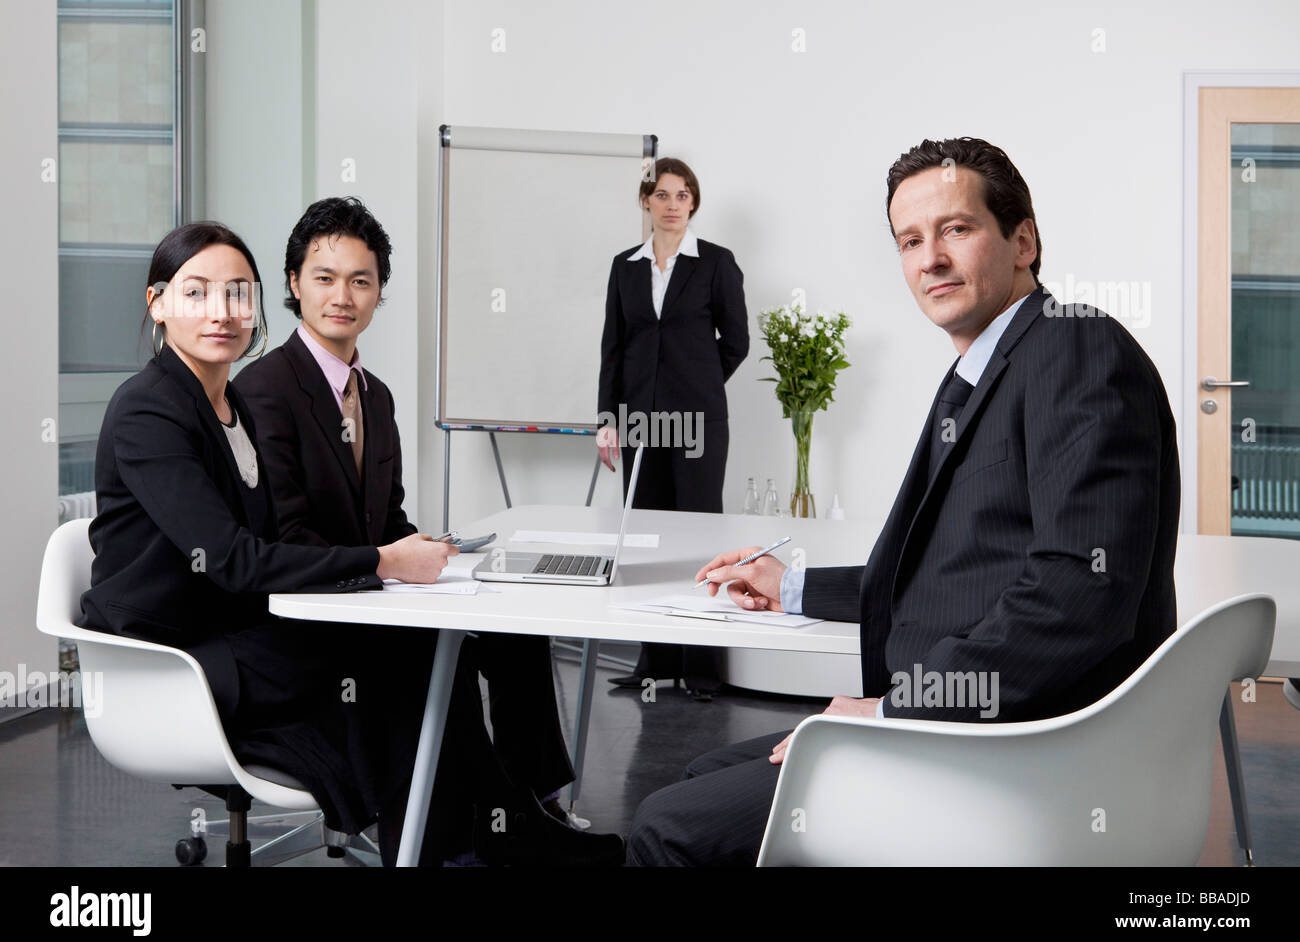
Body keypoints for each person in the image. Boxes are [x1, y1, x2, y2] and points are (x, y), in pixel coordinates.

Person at [627, 137, 1180, 865]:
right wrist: (787, 584)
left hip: (1013, 751)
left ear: (1023, 241)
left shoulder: (1074, 352)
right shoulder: (991, 369)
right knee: (704, 776)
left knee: (669, 827)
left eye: (955, 229)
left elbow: (1080, 590)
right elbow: (951, 574)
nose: (930, 260)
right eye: (910, 241)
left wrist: (889, 713)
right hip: (963, 729)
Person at [79, 221, 623, 866]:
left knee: (423, 656)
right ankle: (461, 843)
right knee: (408, 664)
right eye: (196, 293)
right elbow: (231, 557)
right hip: (179, 654)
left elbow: (281, 538)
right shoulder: (152, 407)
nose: (221, 312)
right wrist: (382, 563)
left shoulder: (230, 406)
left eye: (235, 293)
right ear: (158, 303)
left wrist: (414, 556)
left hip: (240, 622)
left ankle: (484, 832)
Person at [235, 196, 580, 823]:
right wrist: (392, 564)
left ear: (378, 292)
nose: (343, 295)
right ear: (293, 283)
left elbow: (386, 518)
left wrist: (436, 555)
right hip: (311, 612)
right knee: (435, 658)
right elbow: (289, 537)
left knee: (515, 626)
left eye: (360, 281)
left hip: (371, 590)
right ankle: (472, 830)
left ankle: (537, 802)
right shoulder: (263, 390)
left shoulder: (378, 397)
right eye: (325, 277)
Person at [597, 157, 750, 699]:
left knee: (701, 536)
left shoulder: (716, 263)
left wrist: (699, 385)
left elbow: (736, 342)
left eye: (683, 195)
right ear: (646, 201)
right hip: (639, 420)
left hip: (698, 421)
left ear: (694, 203)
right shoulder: (625, 266)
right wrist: (607, 418)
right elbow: (613, 348)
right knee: (647, 540)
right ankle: (654, 664)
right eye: (662, 194)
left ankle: (703, 668)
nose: (672, 204)